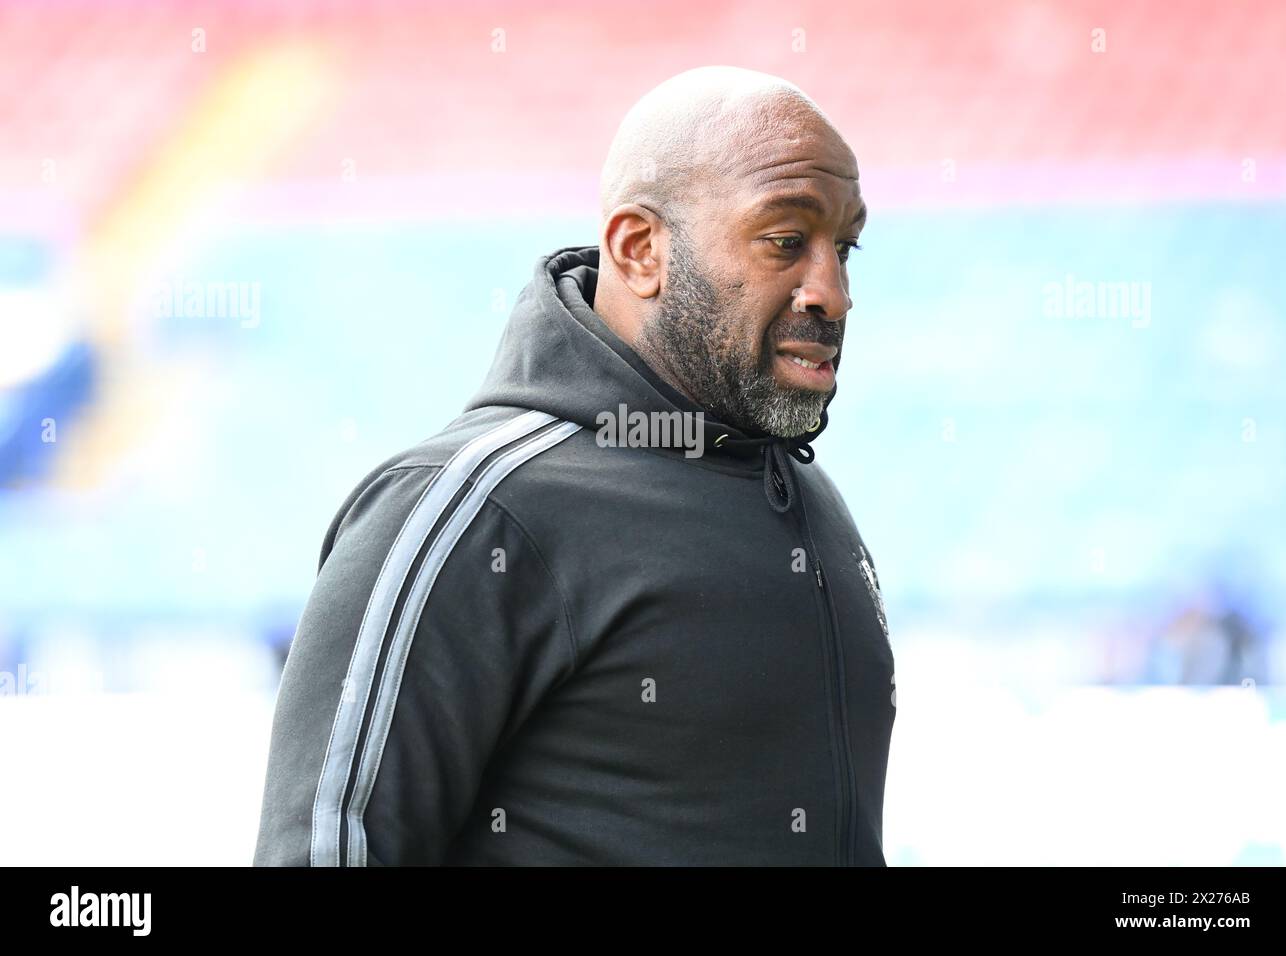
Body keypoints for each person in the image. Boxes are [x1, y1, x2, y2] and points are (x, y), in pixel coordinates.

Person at [253, 65, 895, 866]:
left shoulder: (808, 500)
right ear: (639, 250)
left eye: (845, 247)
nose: (831, 292)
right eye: (786, 241)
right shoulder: (471, 510)